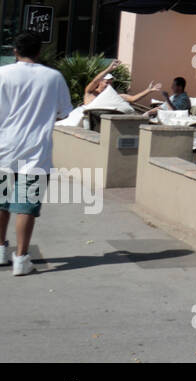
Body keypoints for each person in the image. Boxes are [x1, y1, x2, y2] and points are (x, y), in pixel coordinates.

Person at [0, 32, 75, 276]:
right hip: (36, 151)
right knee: (26, 207)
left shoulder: (2, 74)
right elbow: (65, 112)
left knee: (1, 202)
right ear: (39, 52)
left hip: (3, 148)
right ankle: (21, 259)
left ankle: (0, 251)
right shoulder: (54, 77)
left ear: (15, 51)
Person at [82, 62, 161, 108]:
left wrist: (148, 90)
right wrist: (109, 69)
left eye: (111, 83)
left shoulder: (113, 96)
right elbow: (94, 81)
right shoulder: (90, 92)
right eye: (107, 82)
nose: (109, 85)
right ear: (100, 82)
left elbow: (133, 99)